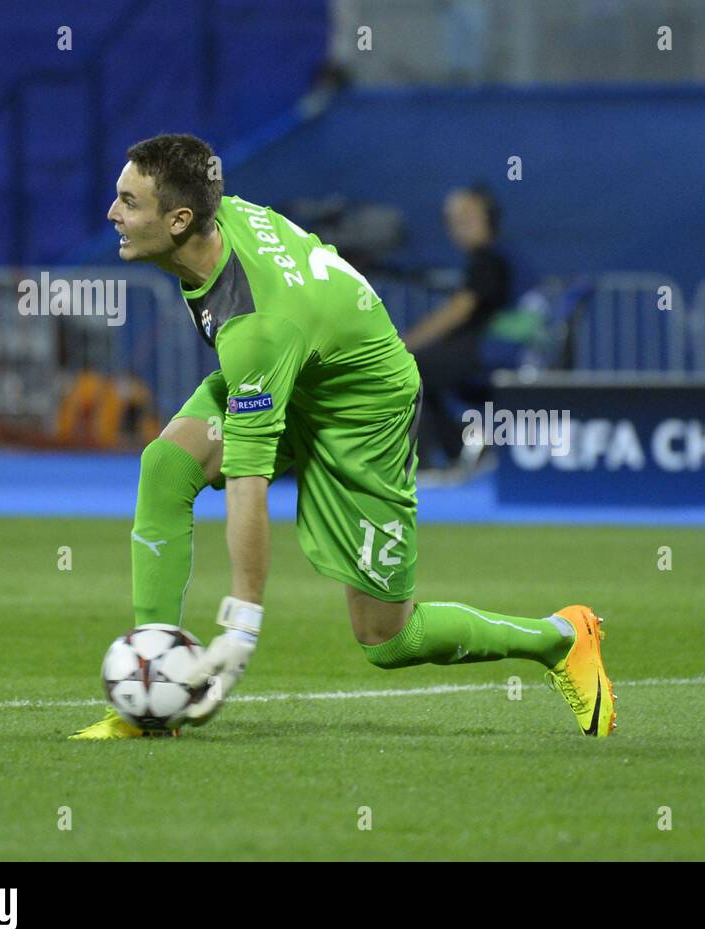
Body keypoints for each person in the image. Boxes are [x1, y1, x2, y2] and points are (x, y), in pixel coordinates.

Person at [69, 134, 615, 740]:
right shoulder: (216, 227)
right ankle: (152, 690)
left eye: (127, 201)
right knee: (166, 467)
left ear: (179, 219)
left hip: (362, 412)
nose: (113, 214)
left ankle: (561, 638)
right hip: (297, 374)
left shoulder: (258, 325)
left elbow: (247, 482)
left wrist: (241, 626)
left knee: (388, 637)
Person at [402, 185, 509, 475]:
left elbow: (458, 311)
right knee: (419, 372)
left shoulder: (490, 259)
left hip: (487, 353)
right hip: (479, 349)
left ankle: (422, 463)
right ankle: (460, 447)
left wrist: (406, 343)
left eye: (467, 219)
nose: (458, 228)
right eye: (454, 221)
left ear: (488, 218)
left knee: (410, 369)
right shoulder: (487, 258)